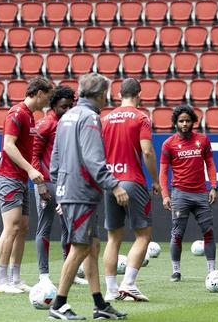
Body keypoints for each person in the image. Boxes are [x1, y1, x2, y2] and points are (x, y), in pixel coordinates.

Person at [48, 73, 127, 321]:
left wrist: (60, 189)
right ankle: (59, 304)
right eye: (108, 93)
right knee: (81, 246)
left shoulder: (67, 116)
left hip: (69, 190)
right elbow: (94, 160)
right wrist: (115, 185)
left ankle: (99, 303)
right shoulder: (91, 117)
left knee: (92, 246)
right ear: (102, 94)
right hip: (81, 192)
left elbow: (55, 160)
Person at [101, 78, 160, 303]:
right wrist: (155, 180)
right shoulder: (141, 117)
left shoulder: (105, 119)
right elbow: (147, 152)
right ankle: (129, 284)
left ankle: (111, 289)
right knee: (143, 235)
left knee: (113, 238)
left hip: (110, 182)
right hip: (132, 181)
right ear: (139, 94)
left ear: (118, 94)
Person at [0, 76, 53, 294]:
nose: (48, 100)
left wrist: (28, 173)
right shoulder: (17, 113)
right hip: (8, 177)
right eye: (47, 95)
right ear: (38, 93)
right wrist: (30, 169)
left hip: (19, 178)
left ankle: (15, 278)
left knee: (23, 228)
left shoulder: (29, 116)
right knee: (12, 227)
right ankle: (1, 280)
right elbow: (8, 146)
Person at [160, 105, 218, 282]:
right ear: (176, 123)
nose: (184, 124)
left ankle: (211, 271)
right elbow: (163, 171)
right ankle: (176, 271)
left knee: (208, 232)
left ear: (193, 122)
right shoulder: (168, 144)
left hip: (201, 194)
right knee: (177, 233)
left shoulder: (203, 140)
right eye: (181, 121)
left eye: (187, 121)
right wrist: (165, 195)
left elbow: (210, 164)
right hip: (180, 195)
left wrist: (214, 186)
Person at [31, 85, 79, 286]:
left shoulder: (68, 123)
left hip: (66, 184)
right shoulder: (45, 124)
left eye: (70, 106)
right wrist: (40, 183)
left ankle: (70, 273)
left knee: (69, 229)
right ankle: (43, 276)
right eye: (63, 107)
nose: (67, 110)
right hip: (47, 184)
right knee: (45, 227)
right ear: (53, 105)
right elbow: (33, 155)